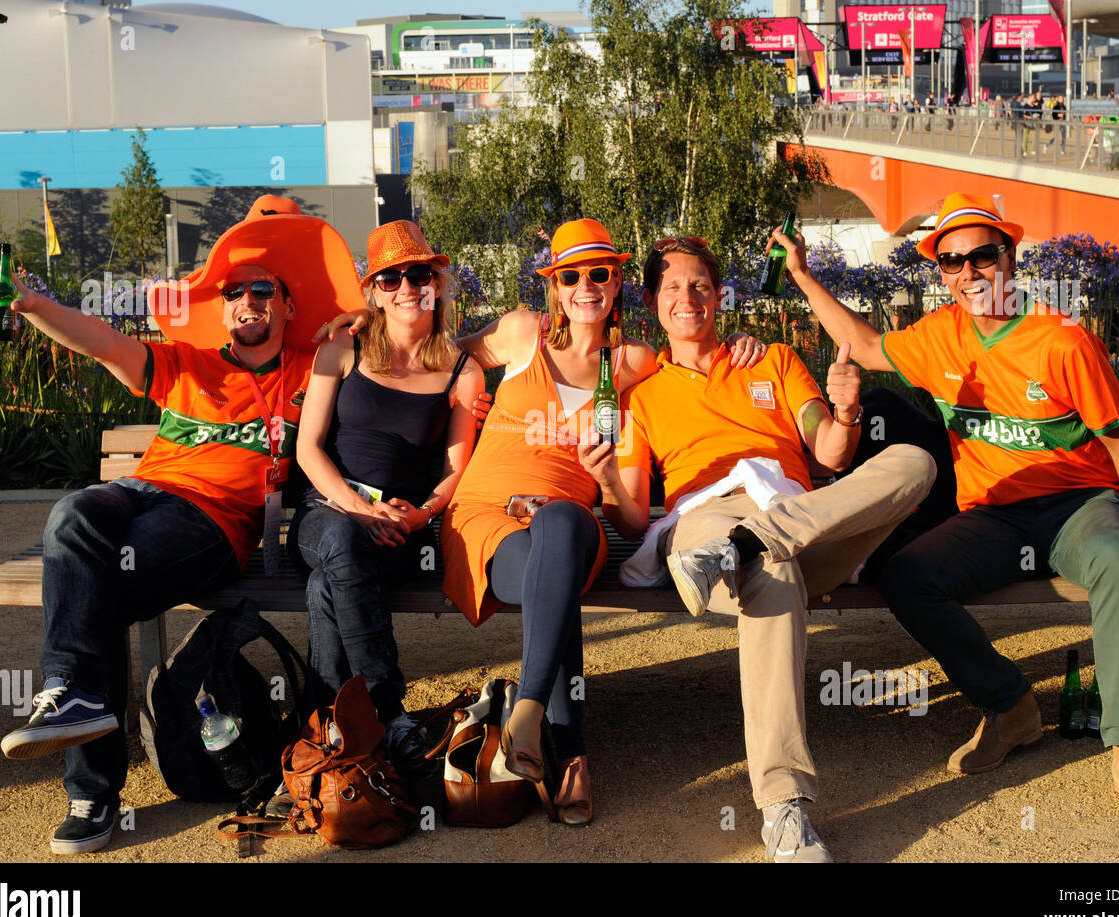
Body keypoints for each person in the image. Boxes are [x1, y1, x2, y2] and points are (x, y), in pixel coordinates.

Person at [775, 192, 1119, 825]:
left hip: (1080, 502)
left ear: (1009, 257)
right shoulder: (941, 338)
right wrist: (800, 274)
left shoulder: (1064, 341)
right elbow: (863, 342)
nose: (968, 273)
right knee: (907, 576)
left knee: (1113, 557)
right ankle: (1012, 707)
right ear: (940, 272)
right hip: (994, 513)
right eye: (950, 262)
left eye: (982, 257)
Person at [0, 195, 367, 853]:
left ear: (287, 304)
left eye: (263, 289)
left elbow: (393, 354)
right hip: (140, 490)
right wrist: (37, 308)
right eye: (234, 290)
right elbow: (102, 341)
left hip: (213, 524)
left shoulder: (312, 368)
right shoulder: (187, 364)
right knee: (73, 511)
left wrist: (375, 307)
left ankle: (90, 792)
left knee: (96, 593)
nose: (247, 301)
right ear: (221, 307)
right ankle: (66, 691)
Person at [593, 237, 936, 862]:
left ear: (719, 296)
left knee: (913, 462)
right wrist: (608, 479)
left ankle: (755, 542)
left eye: (699, 285)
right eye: (671, 287)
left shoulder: (772, 359)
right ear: (650, 301)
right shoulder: (638, 397)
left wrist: (848, 409)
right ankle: (785, 808)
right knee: (769, 569)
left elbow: (830, 454)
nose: (686, 297)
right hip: (706, 523)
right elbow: (635, 516)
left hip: (797, 520)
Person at [437, 220, 766, 826]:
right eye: (571, 275)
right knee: (549, 574)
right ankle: (571, 755)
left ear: (616, 282)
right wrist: (460, 379)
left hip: (569, 524)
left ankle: (529, 706)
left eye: (600, 273)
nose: (585, 285)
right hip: (487, 519)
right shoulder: (519, 334)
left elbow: (698, 358)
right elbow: (444, 353)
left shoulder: (632, 363)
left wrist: (741, 340)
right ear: (555, 286)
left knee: (562, 522)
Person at [290, 220, 483, 765]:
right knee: (342, 545)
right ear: (373, 290)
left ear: (438, 283)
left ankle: (327, 725)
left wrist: (420, 515)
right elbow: (308, 451)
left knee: (327, 587)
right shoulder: (342, 349)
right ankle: (390, 710)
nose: (406, 288)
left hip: (399, 533)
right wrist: (360, 508)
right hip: (326, 511)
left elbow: (454, 468)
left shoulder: (462, 372)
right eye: (390, 278)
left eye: (418, 274)